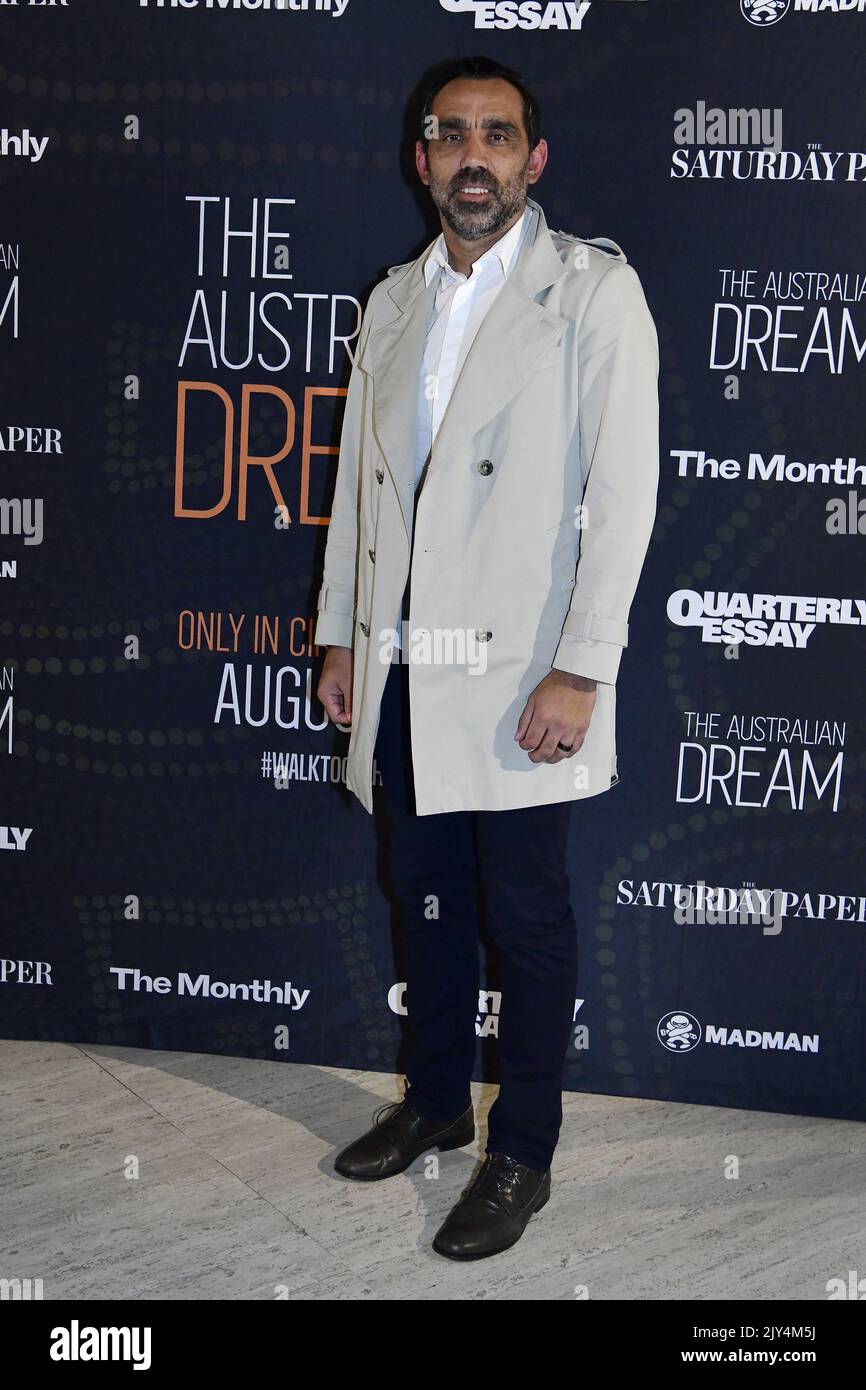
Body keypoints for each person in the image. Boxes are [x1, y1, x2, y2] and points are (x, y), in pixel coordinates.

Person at [314, 54, 659, 1260]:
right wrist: (340, 636)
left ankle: (524, 1150)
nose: (474, 156)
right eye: (450, 134)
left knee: (524, 914)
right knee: (425, 902)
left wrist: (583, 664)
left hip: (520, 670)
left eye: (497, 136)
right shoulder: (391, 302)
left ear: (533, 159)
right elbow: (363, 495)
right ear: (422, 158)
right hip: (408, 661)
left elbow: (621, 499)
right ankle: (433, 1100)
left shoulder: (593, 295)